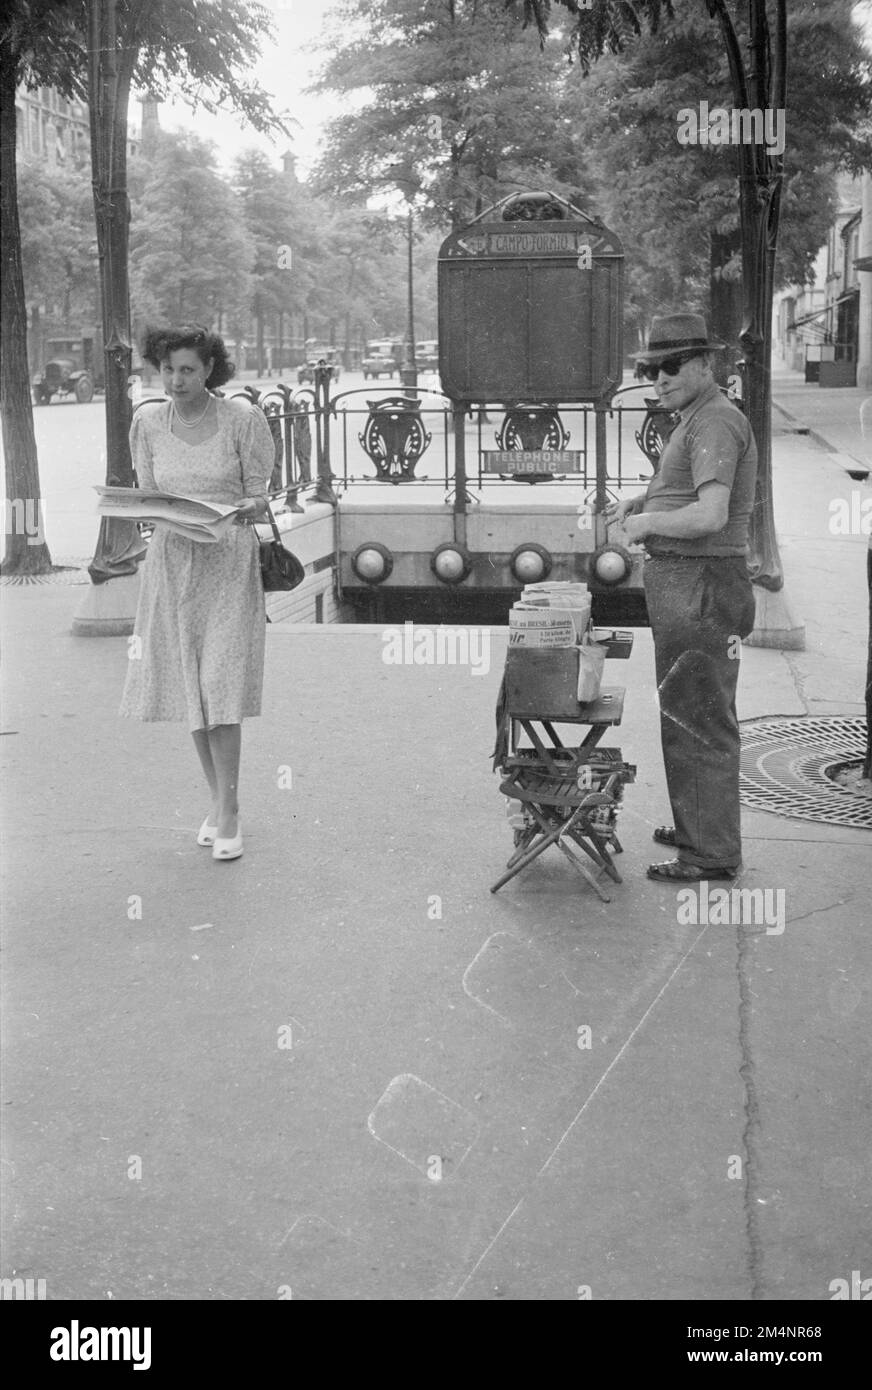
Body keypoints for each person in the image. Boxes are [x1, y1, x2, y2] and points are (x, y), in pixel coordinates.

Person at [605, 313, 758, 882]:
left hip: (701, 585)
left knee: (697, 716)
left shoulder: (714, 421)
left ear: (704, 364)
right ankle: (701, 824)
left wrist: (645, 526)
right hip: (692, 584)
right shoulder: (697, 417)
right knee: (690, 709)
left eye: (672, 366)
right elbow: (683, 492)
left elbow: (711, 513)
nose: (659, 378)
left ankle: (709, 853)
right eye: (651, 368)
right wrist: (638, 504)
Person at [119, 324, 274, 862]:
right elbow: (148, 493)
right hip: (171, 562)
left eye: (187, 369)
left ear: (210, 369)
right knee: (191, 686)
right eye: (167, 369)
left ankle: (228, 811)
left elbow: (261, 494)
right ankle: (217, 800)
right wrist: (144, 513)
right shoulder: (147, 421)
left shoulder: (242, 419)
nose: (176, 380)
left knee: (219, 684)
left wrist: (241, 509)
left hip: (227, 559)